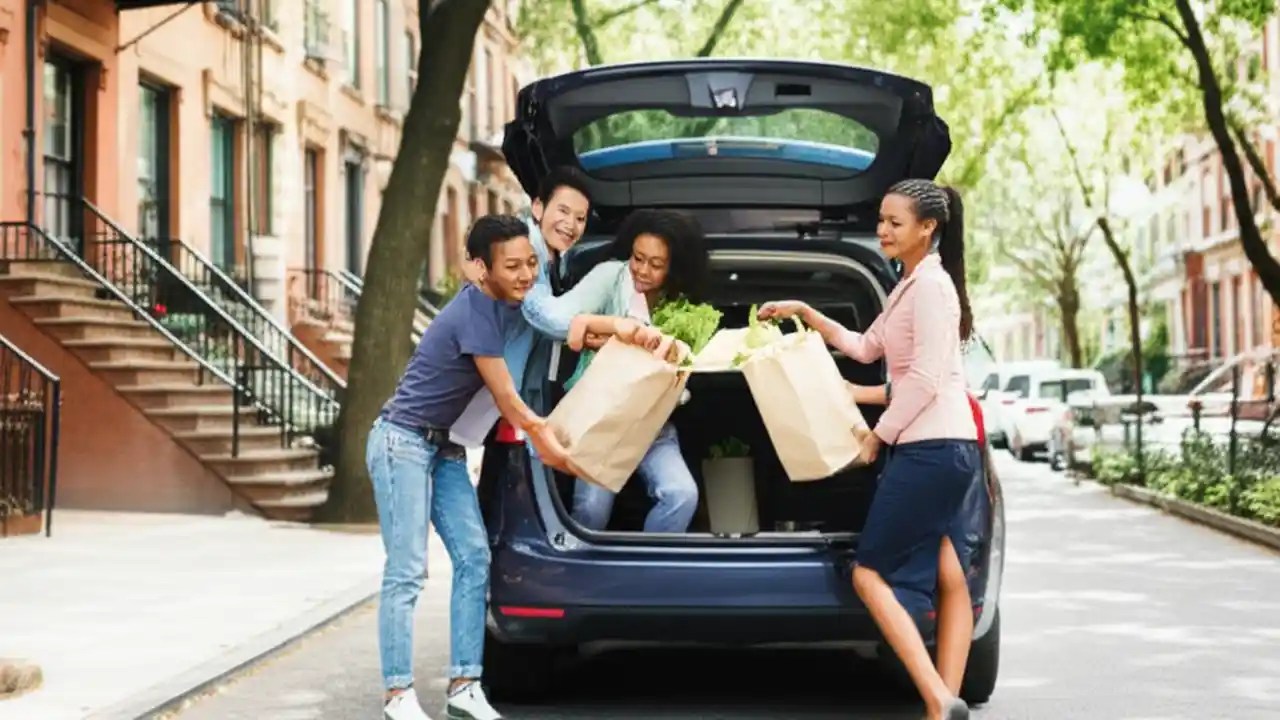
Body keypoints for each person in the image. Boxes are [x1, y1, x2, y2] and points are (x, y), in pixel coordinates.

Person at [758, 178, 978, 720]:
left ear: (927, 228)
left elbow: (924, 380)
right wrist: (806, 313)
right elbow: (865, 347)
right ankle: (942, 707)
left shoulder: (931, 288)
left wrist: (876, 439)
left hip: (931, 447)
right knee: (949, 573)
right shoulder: (909, 284)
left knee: (867, 574)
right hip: (945, 447)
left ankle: (936, 698)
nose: (882, 229)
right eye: (881, 220)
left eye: (894, 222)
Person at [368, 215, 581, 720]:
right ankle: (397, 694)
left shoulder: (507, 307)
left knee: (474, 558)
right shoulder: (478, 311)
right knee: (406, 571)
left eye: (531, 263)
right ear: (480, 269)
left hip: (444, 450)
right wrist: (553, 444)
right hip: (402, 443)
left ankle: (465, 686)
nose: (526, 274)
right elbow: (508, 399)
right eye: (512, 266)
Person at [545, 209, 709, 532]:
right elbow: (562, 322)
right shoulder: (612, 277)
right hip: (602, 421)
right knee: (590, 512)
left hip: (653, 425)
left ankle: (651, 572)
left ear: (673, 268)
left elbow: (683, 377)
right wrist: (608, 331)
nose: (643, 270)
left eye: (656, 264)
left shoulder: (682, 307)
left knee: (681, 495)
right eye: (638, 258)